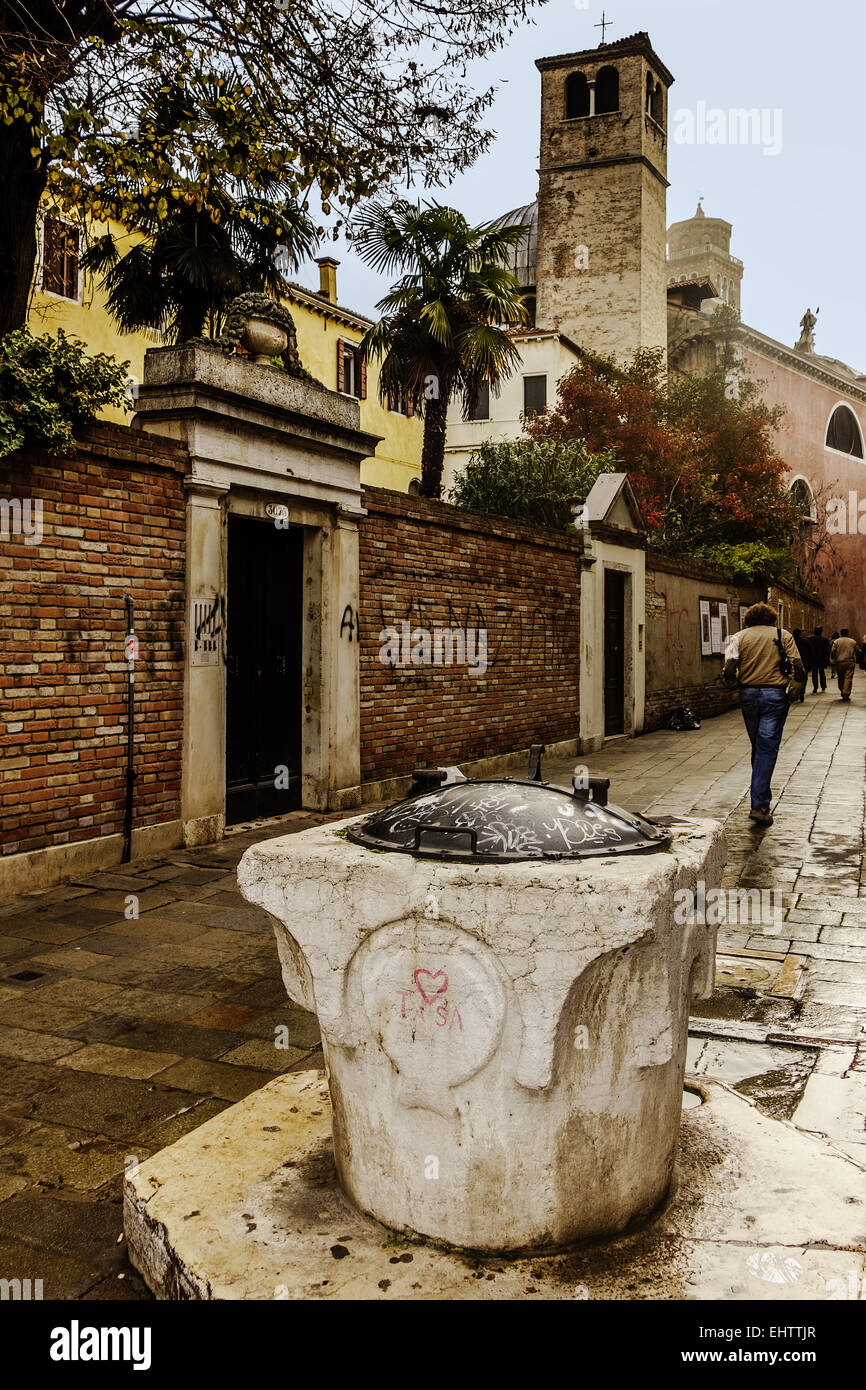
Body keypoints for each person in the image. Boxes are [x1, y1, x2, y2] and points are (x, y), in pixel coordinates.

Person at [723, 603, 805, 825]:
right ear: (772, 618)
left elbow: (729, 670)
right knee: (766, 748)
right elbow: (798, 667)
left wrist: (736, 685)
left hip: (749, 695)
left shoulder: (738, 637)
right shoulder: (782, 634)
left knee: (759, 747)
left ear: (748, 619)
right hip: (775, 695)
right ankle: (759, 805)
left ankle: (760, 798)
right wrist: (795, 689)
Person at [830, 628, 860, 702]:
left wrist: (833, 658)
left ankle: (842, 690)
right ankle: (846, 692)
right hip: (850, 661)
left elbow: (833, 651)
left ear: (841, 633)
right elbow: (857, 651)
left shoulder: (836, 641)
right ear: (847, 633)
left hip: (840, 662)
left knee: (841, 677)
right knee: (848, 678)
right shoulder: (853, 641)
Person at [810, 626, 831, 693]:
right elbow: (827, 650)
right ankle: (823, 686)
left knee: (814, 674)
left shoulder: (811, 639)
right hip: (822, 659)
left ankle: (815, 687)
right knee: (822, 673)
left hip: (813, 659)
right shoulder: (825, 640)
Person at [792, 629, 811, 702]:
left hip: (793, 661)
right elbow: (810, 652)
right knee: (803, 677)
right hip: (803, 661)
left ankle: (795, 693)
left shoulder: (791, 641)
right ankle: (802, 692)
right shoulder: (805, 641)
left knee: (794, 678)